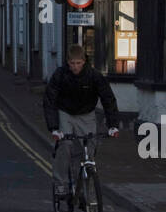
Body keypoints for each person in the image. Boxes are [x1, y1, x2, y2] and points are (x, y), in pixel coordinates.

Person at [44, 43, 119, 200]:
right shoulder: (60, 75)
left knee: (88, 149)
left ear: (84, 61)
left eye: (78, 63)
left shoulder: (94, 76)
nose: (75, 67)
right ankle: (61, 184)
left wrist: (113, 125)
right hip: (65, 113)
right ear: (67, 62)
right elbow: (50, 100)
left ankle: (84, 186)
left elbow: (108, 99)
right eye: (72, 63)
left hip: (86, 114)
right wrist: (54, 128)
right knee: (66, 145)